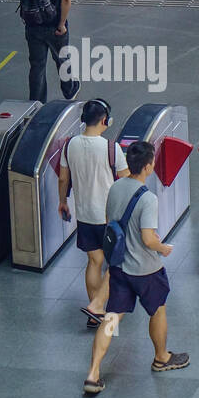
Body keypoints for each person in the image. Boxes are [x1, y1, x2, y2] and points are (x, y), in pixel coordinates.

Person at [83, 140, 188, 395]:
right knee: (158, 310)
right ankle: (161, 357)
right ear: (149, 166)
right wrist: (163, 249)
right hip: (146, 270)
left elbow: (110, 222)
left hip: (119, 268)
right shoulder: (148, 198)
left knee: (110, 318)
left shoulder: (116, 187)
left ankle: (93, 373)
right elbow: (148, 238)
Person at [57, 98, 130, 328]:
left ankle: (93, 311)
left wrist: (63, 202)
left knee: (94, 261)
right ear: (104, 120)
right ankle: (102, 307)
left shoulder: (69, 145)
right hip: (109, 217)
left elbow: (63, 177)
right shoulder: (111, 148)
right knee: (115, 264)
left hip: (84, 214)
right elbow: (127, 178)